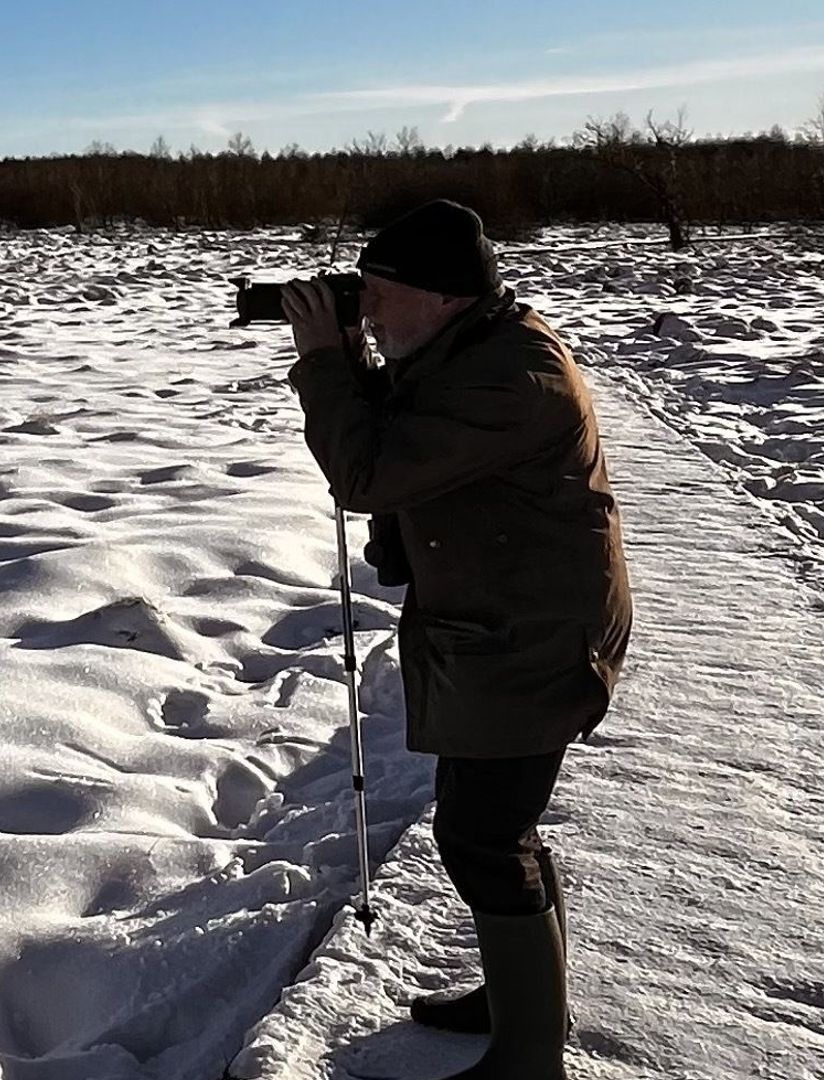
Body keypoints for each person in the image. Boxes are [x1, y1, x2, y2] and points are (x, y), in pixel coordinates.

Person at [281, 199, 632, 1080]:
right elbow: (401, 431)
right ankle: (516, 1002)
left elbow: (371, 470)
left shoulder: (510, 376)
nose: (365, 310)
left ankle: (527, 1056)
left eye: (378, 294)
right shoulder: (469, 346)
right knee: (494, 824)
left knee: (484, 835)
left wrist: (326, 361)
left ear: (439, 295)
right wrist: (357, 360)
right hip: (506, 621)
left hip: (531, 636)